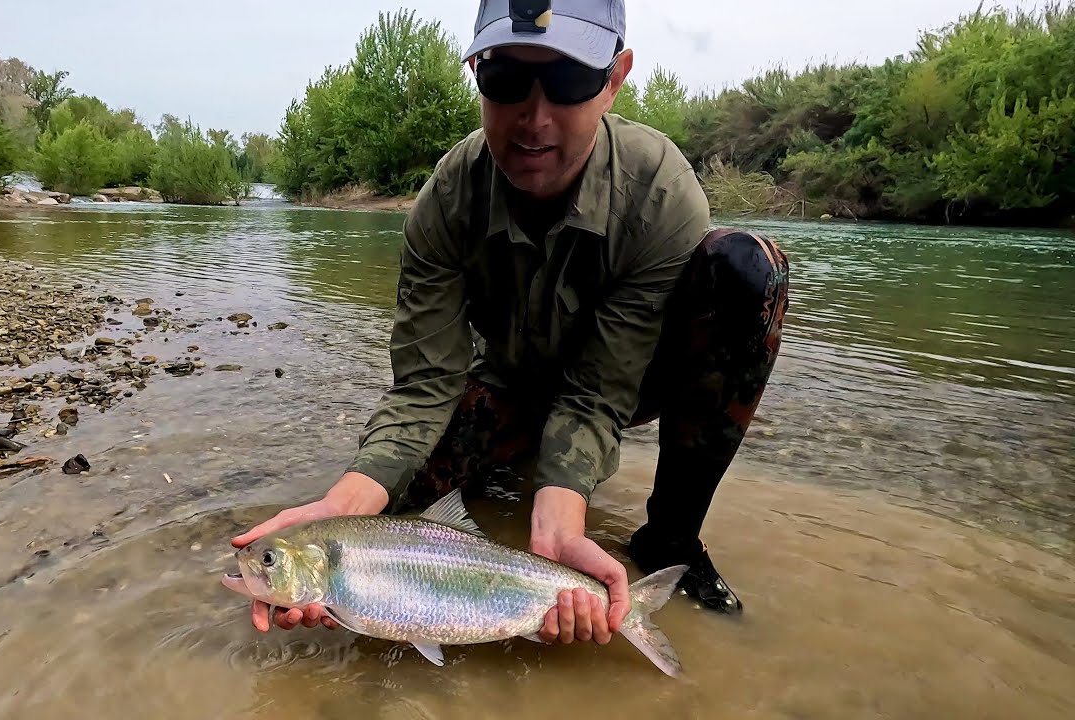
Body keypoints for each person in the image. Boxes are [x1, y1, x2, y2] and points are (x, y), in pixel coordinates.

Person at [231, 0, 789, 647]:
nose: (534, 116)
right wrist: (347, 501)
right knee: (392, 509)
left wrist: (561, 510)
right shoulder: (444, 203)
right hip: (510, 386)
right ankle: (501, 490)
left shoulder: (660, 192)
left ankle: (672, 535)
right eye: (505, 79)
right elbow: (424, 385)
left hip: (627, 386)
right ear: (476, 73)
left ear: (614, 77)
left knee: (751, 268)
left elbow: (599, 391)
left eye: (569, 78)